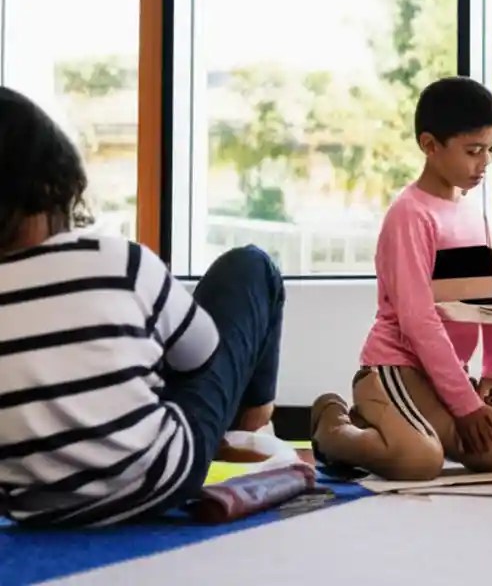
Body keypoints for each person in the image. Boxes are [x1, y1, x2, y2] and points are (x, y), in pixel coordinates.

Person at [0, 86, 284, 527]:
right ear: (54, 185)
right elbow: (201, 356)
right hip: (160, 475)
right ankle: (254, 429)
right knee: (248, 267)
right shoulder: (117, 259)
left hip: (34, 509)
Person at [310, 77, 492, 481]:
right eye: (473, 151)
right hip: (397, 365)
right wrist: (464, 405)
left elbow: (486, 301)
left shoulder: (473, 213)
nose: (485, 163)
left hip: (446, 372)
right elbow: (417, 321)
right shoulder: (410, 215)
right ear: (430, 145)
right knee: (420, 462)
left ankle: (404, 425)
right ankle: (334, 424)